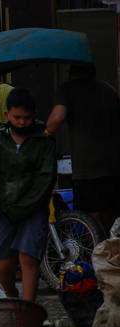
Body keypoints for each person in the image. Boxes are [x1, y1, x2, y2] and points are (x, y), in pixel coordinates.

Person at [0, 88, 56, 303]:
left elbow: (45, 180)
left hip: (34, 209)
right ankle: (12, 298)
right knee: (3, 264)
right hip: (3, 209)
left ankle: (28, 309)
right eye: (17, 117)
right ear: (7, 115)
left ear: (34, 115)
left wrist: (26, 206)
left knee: (28, 258)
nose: (21, 122)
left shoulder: (44, 141)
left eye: (27, 118)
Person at [46, 64, 120, 230]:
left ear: (71, 73)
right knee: (112, 216)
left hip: (87, 169)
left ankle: (96, 250)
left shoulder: (67, 89)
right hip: (114, 165)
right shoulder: (109, 89)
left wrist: (43, 136)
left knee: (90, 219)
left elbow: (56, 120)